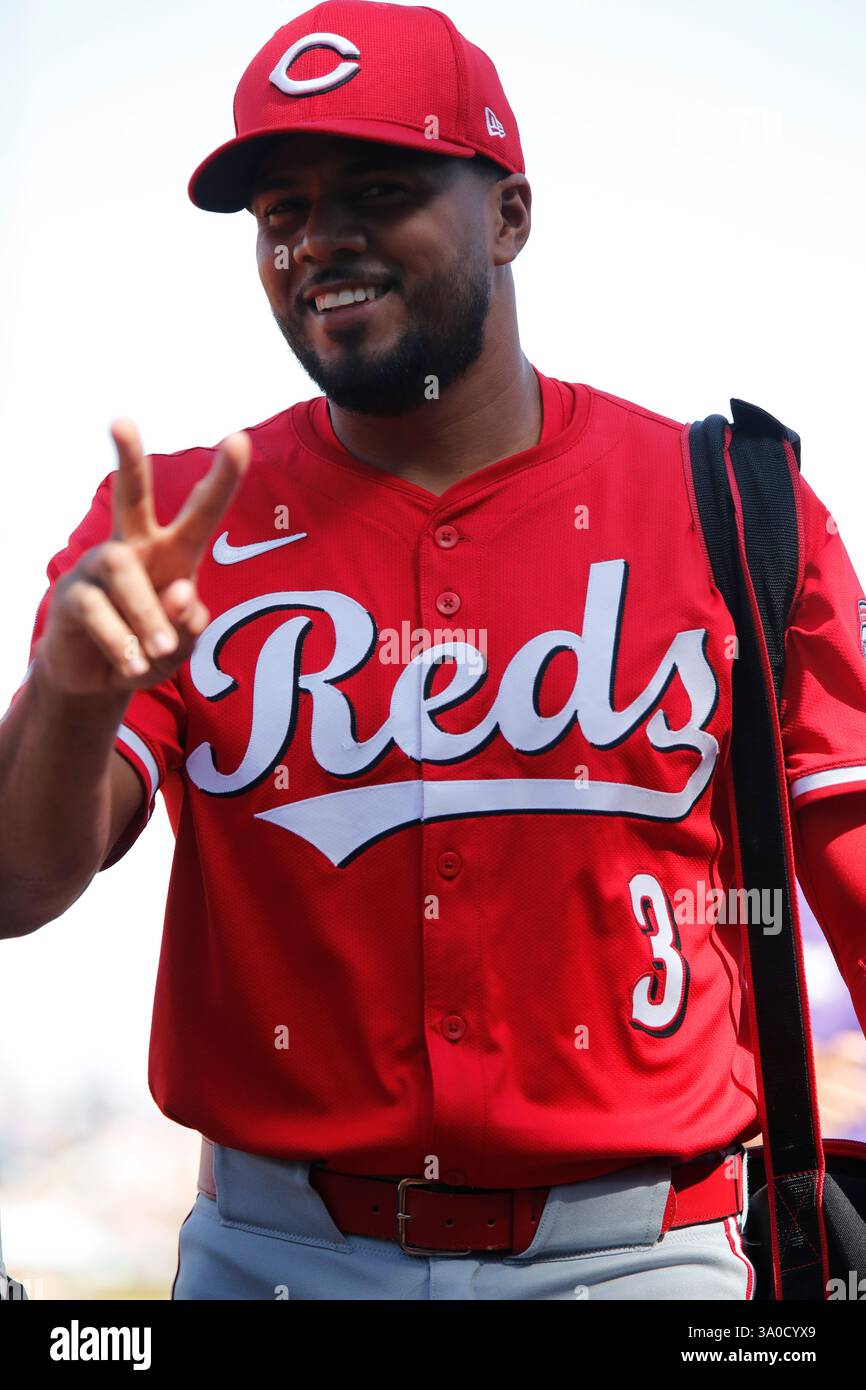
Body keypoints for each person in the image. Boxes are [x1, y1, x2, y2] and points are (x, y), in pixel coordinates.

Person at [2, 1, 866, 1302]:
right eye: (281, 211)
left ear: (509, 215)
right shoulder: (174, 525)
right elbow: (16, 885)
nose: (316, 240)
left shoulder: (733, 502)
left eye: (379, 191)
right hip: (271, 1256)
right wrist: (72, 693)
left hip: (647, 1256)